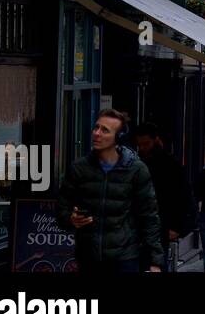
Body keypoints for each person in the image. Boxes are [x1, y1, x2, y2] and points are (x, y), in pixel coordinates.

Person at [56, 109, 163, 273]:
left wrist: (155, 261)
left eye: (105, 130)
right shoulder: (79, 168)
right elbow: (61, 207)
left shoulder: (136, 170)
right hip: (88, 257)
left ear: (118, 138)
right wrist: (71, 218)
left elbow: (149, 216)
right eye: (96, 128)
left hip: (124, 258)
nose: (97, 133)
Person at [134, 123, 197, 272]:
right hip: (140, 228)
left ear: (155, 140)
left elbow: (184, 197)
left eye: (146, 143)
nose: (143, 148)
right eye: (140, 145)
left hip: (160, 226)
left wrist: (178, 227)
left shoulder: (169, 165)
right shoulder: (136, 164)